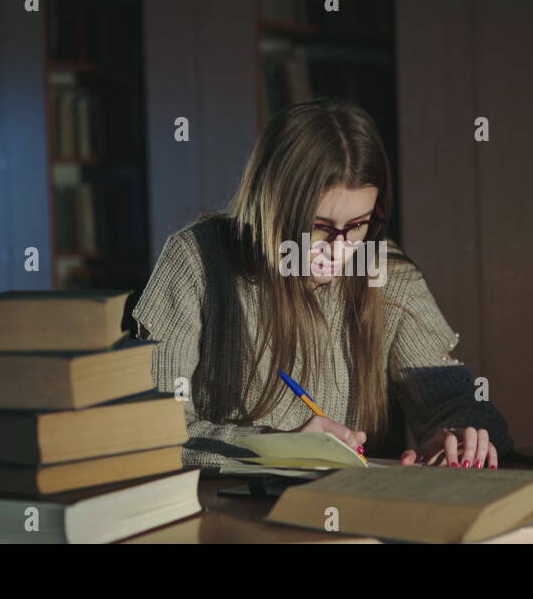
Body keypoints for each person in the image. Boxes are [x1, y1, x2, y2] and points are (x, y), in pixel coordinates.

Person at [132, 98, 513, 473]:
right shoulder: (195, 259)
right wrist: (272, 447)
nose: (340, 248)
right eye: (320, 227)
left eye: (358, 225)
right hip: (223, 516)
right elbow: (151, 429)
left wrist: (462, 435)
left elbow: (459, 401)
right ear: (273, 206)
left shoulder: (381, 270)